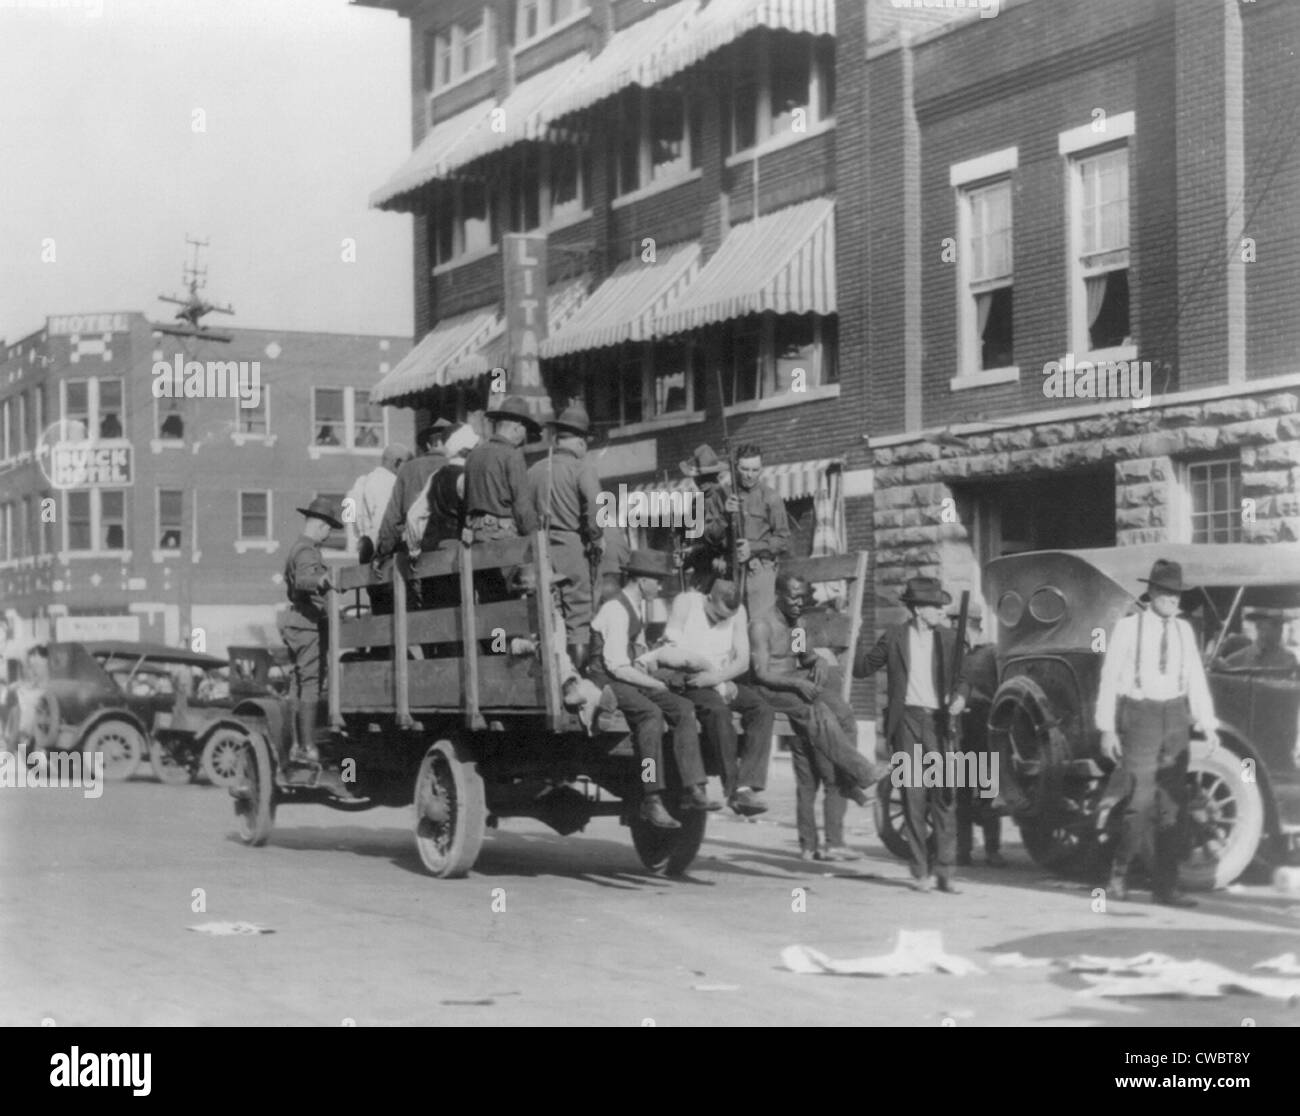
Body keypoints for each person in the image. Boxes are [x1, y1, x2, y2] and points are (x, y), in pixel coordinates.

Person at [1096, 559, 1218, 908]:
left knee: (1172, 809)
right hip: (1140, 716)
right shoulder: (1127, 629)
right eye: (1165, 593)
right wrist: (1107, 728)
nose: (1171, 600)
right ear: (1150, 593)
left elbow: (1195, 678)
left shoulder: (1184, 631)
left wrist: (1207, 724)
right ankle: (1118, 876)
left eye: (1176, 594)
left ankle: (1165, 887)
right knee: (1138, 802)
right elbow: (1108, 681)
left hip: (1176, 718)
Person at [854, 575, 968, 893]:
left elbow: (965, 677)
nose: (941, 611)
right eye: (935, 606)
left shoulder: (948, 639)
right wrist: (851, 633)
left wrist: (961, 697)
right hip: (906, 723)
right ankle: (920, 872)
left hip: (939, 724)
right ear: (918, 610)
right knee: (913, 797)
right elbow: (863, 667)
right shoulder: (893, 638)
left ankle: (946, 872)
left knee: (945, 796)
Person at [751, 573, 879, 858]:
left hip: (796, 683)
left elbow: (804, 656)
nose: (798, 604)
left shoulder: (796, 623)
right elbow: (761, 673)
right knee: (816, 720)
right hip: (770, 690)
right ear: (778, 594)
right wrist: (797, 682)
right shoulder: (761, 625)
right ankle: (859, 774)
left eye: (802, 599)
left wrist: (817, 659)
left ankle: (852, 776)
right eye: (792, 597)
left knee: (845, 713)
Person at [587, 549, 715, 829]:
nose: (658, 587)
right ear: (641, 580)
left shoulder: (636, 607)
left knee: (683, 707)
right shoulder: (616, 609)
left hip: (629, 674)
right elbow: (617, 666)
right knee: (650, 715)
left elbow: (637, 656)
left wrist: (658, 666)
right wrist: (654, 683)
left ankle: (693, 787)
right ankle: (651, 796)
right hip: (607, 678)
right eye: (656, 581)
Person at [641, 579, 775, 816]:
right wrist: (712, 678)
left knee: (762, 709)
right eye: (717, 615)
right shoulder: (687, 603)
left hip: (719, 679)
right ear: (708, 599)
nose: (722, 621)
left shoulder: (737, 612)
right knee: (717, 712)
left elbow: (742, 661)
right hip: (692, 678)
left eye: (727, 617)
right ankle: (730, 788)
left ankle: (745, 787)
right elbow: (672, 651)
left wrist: (719, 679)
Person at [525, 404, 603, 666]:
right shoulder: (582, 468)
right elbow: (596, 508)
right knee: (578, 616)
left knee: (547, 612)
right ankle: (576, 680)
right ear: (581, 442)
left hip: (538, 547)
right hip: (570, 546)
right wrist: (595, 538)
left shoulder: (534, 470)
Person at [279, 496, 342, 763]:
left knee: (298, 683)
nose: (329, 535)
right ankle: (307, 748)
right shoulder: (307, 551)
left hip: (298, 623)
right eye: (329, 528)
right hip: (308, 625)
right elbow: (305, 579)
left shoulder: (299, 548)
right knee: (311, 683)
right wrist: (322, 579)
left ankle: (295, 746)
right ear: (320, 525)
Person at [948, 602, 1004, 867]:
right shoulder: (952, 654)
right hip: (961, 727)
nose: (950, 628)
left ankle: (992, 850)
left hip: (984, 725)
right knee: (962, 792)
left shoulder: (992, 653)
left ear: (970, 624)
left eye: (955, 622)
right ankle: (963, 850)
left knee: (986, 790)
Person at [463, 393, 540, 543]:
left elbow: (467, 499)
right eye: (526, 430)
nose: (525, 437)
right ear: (518, 428)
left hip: (475, 535)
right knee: (531, 565)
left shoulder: (473, 454)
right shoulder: (512, 455)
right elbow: (522, 505)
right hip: (502, 535)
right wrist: (535, 534)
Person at [726, 443, 790, 621]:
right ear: (736, 467)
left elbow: (783, 540)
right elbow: (713, 537)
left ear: (761, 469)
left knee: (759, 627)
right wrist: (725, 514)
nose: (749, 474)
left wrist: (752, 548)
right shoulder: (727, 495)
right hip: (731, 574)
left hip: (760, 572)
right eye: (744, 469)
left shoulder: (771, 497)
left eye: (755, 470)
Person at [678, 444, 731, 590]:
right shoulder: (696, 503)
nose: (701, 482)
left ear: (715, 475)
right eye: (697, 478)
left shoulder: (725, 497)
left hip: (722, 568)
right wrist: (686, 554)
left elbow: (721, 535)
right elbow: (691, 538)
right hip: (701, 567)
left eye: (706, 477)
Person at [347, 442, 410, 564]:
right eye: (406, 464)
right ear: (397, 462)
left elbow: (350, 516)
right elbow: (384, 521)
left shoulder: (363, 481)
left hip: (364, 550)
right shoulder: (390, 483)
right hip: (383, 554)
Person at [1223, 609, 1298, 672]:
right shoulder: (1236, 660)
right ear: (1258, 626)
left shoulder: (1289, 659)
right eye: (1274, 624)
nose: (1280, 630)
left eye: (1281, 626)